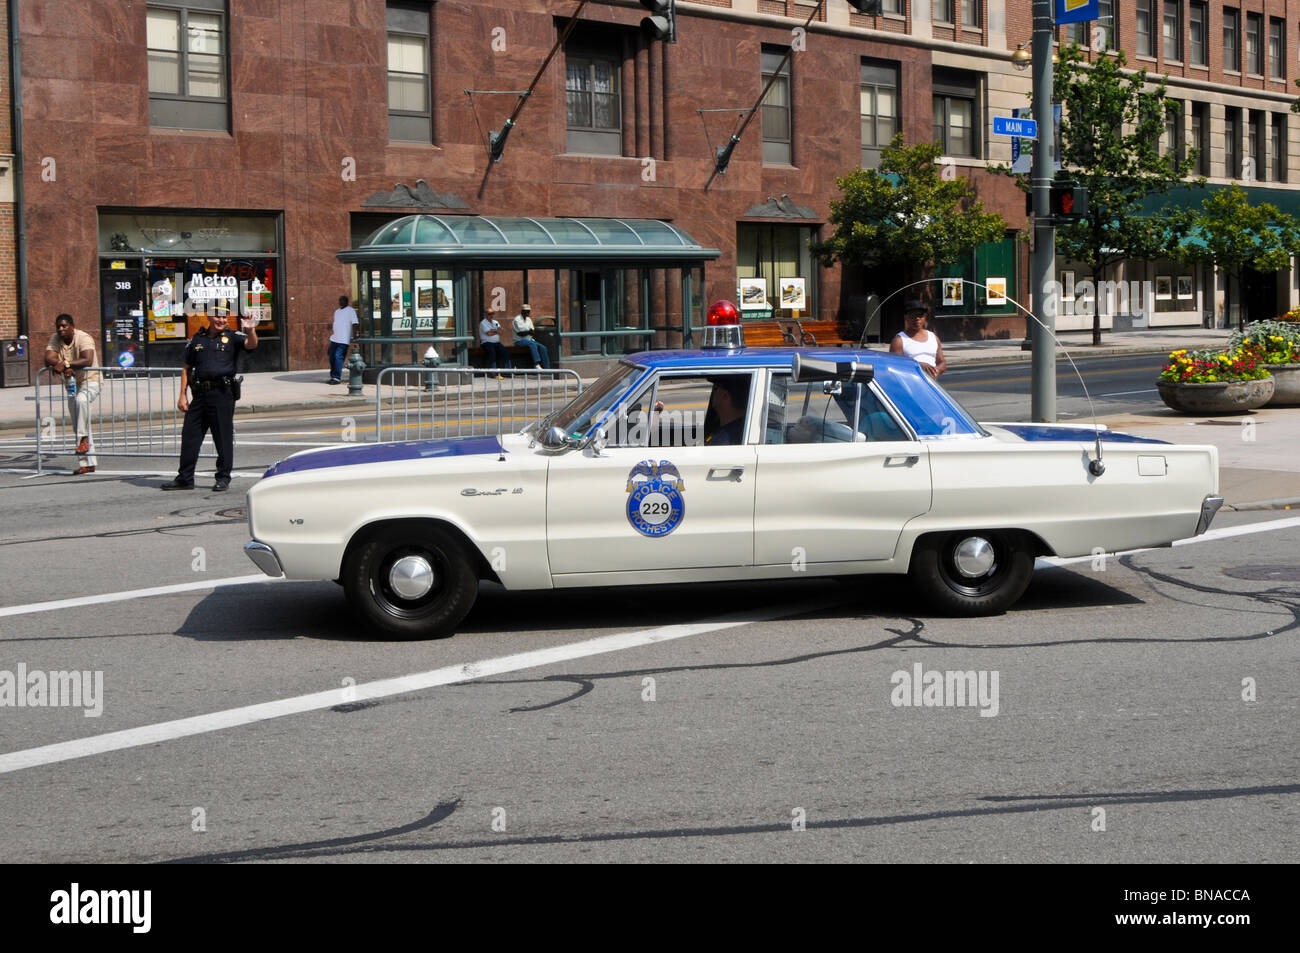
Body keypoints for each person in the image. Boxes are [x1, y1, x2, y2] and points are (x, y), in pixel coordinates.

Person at [161, 311, 258, 492]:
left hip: (222, 394)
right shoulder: (197, 339)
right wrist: (182, 395)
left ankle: (223, 478)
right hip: (200, 395)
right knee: (190, 436)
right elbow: (186, 368)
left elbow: (250, 345)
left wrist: (251, 331)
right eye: (217, 316)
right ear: (209, 317)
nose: (221, 320)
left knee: (222, 437)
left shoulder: (233, 336)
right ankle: (185, 478)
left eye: (224, 317)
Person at [44, 314, 100, 475]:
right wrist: (62, 365)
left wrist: (66, 364)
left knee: (81, 401)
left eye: (64, 326)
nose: (61, 329)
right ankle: (87, 463)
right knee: (78, 421)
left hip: (91, 380)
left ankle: (83, 442)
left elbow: (87, 359)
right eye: (58, 326)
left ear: (72, 326)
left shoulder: (83, 337)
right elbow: (48, 357)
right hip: (72, 385)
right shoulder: (56, 338)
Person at [890, 299, 947, 377]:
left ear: (925, 317)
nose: (917, 318)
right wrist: (918, 365)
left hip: (930, 382)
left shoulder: (933, 337)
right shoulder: (899, 341)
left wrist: (937, 370)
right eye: (913, 315)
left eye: (920, 315)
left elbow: (942, 362)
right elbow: (894, 365)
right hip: (911, 382)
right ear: (906, 317)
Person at [703, 375, 749, 446]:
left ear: (725, 395)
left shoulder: (722, 441)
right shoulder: (739, 428)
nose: (713, 393)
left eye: (715, 388)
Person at [328, 295, 358, 384]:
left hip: (344, 340)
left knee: (338, 356)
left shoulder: (351, 310)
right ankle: (333, 376)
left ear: (347, 302)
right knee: (331, 356)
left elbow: (355, 324)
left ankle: (337, 378)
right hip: (334, 339)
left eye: (343, 300)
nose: (341, 302)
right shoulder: (336, 311)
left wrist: (355, 337)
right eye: (340, 300)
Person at [511, 303, 550, 369]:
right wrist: (529, 332)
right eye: (526, 311)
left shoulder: (529, 319)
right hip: (519, 341)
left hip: (530, 340)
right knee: (532, 344)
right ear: (522, 311)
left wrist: (528, 332)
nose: (527, 313)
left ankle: (547, 367)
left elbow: (532, 332)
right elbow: (520, 334)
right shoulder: (517, 320)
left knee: (543, 348)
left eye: (528, 311)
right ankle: (536, 364)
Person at [479, 308, 510, 374]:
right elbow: (488, 334)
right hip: (486, 343)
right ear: (485, 314)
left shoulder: (495, 322)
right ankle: (493, 372)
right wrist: (496, 331)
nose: (491, 315)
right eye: (490, 314)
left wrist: (493, 331)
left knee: (506, 352)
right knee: (492, 352)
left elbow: (501, 332)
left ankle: (509, 371)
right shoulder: (483, 323)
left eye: (493, 313)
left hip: (496, 343)